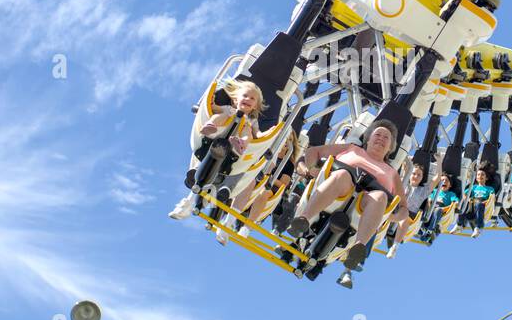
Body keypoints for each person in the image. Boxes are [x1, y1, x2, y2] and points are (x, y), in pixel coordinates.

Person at [287, 120, 407, 285]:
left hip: (364, 208)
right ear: (368, 139)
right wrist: (310, 169)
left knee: (380, 197)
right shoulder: (351, 149)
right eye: (377, 134)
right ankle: (304, 219)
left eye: (386, 137)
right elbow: (314, 151)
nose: (381, 138)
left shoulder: (392, 173)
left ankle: (359, 246)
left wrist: (390, 217)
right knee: (342, 175)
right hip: (338, 191)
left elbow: (404, 209)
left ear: (390, 147)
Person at [169, 80, 265, 220]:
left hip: (231, 151)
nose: (248, 99)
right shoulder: (228, 109)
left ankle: (241, 143)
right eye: (245, 96)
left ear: (255, 105)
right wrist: (211, 103)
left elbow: (258, 134)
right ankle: (210, 125)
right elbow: (213, 108)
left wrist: (267, 135)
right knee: (222, 115)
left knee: (248, 130)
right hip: (215, 137)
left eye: (252, 99)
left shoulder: (251, 121)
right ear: (235, 98)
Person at [217, 132, 301, 245]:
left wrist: (270, 177)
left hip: (271, 187)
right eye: (284, 140)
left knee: (263, 193)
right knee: (245, 183)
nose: (285, 143)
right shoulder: (269, 153)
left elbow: (283, 184)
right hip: (259, 180)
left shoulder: (288, 164)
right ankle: (227, 220)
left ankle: (247, 227)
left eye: (288, 141)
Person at [386, 162, 431, 258]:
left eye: (419, 175)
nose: (416, 176)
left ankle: (394, 246)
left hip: (409, 215)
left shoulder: (423, 191)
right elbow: (403, 167)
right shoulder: (402, 183)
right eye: (414, 173)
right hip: (395, 209)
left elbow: (437, 178)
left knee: (404, 217)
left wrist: (439, 162)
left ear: (422, 178)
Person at [420, 173, 460, 240]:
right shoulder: (435, 191)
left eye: (446, 180)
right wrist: (429, 203)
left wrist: (455, 204)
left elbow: (455, 201)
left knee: (438, 210)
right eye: (442, 180)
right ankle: (422, 226)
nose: (444, 182)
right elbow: (430, 199)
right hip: (431, 207)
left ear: (450, 185)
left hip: (443, 209)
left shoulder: (450, 194)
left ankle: (430, 230)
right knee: (424, 206)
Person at [464, 167, 496, 238]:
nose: (480, 176)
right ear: (476, 178)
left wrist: (485, 202)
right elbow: (464, 194)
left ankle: (479, 227)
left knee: (479, 204)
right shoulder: (473, 187)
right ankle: (460, 224)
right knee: (464, 204)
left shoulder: (490, 188)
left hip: (484, 205)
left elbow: (492, 198)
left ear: (486, 178)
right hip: (472, 206)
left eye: (482, 175)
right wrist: (467, 199)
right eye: (478, 175)